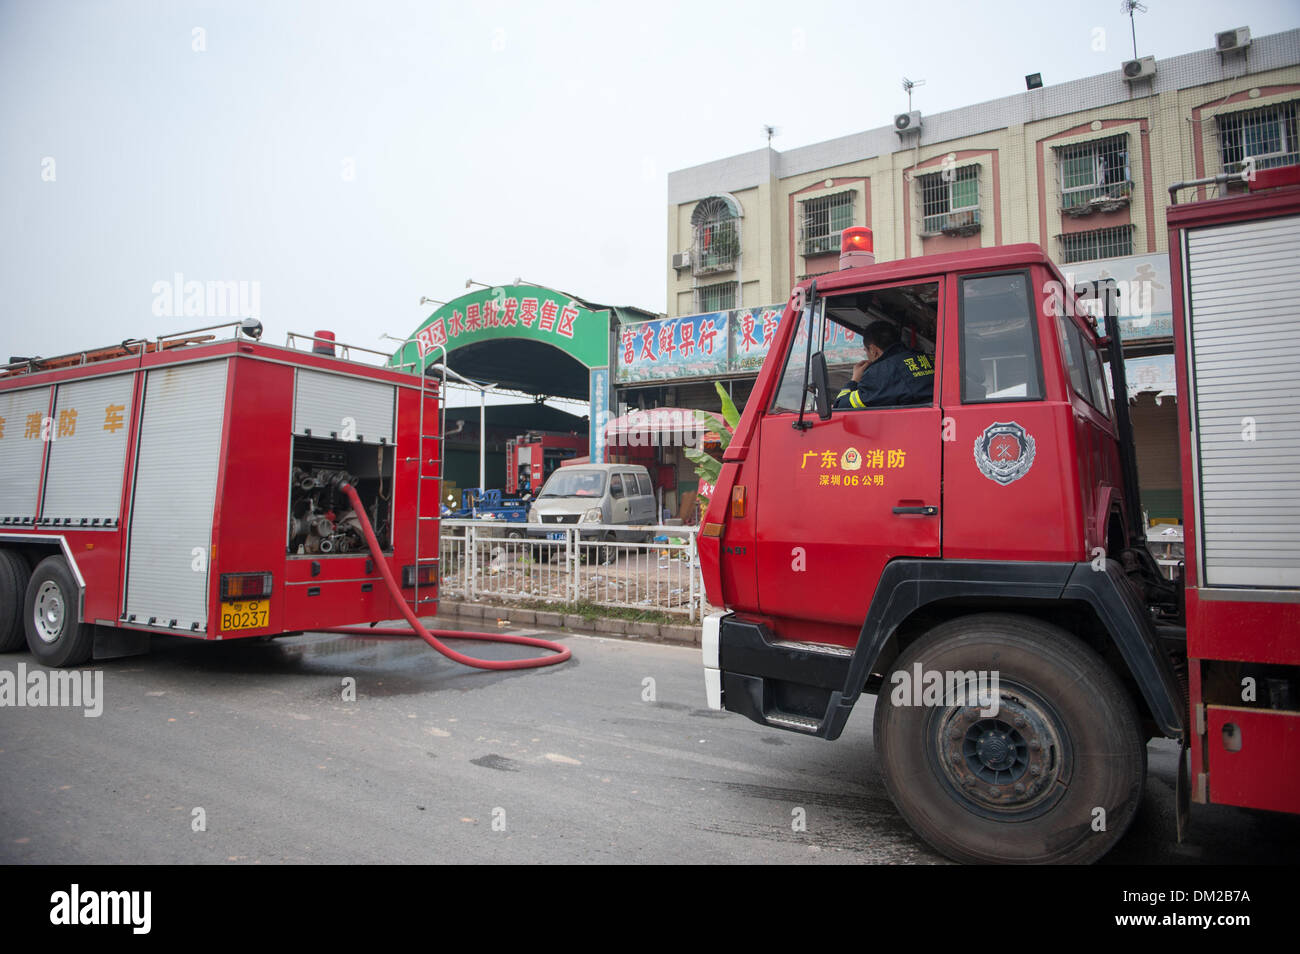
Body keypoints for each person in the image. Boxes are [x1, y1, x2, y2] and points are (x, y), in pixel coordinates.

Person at [834, 320, 935, 409]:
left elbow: (841, 406)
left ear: (873, 350)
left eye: (866, 351)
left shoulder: (881, 372)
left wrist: (854, 380)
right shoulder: (929, 358)